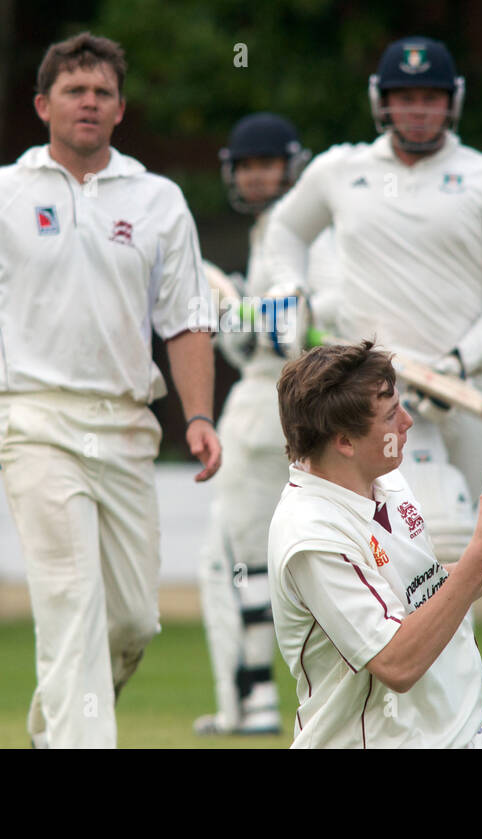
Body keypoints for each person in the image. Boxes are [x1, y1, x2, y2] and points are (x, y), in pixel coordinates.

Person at [0, 32, 221, 749]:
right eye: (75, 90)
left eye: (103, 93)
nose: (89, 102)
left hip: (125, 425)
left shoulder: (159, 201)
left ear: (120, 110)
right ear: (41, 104)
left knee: (132, 620)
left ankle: (52, 733)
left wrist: (199, 414)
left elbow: (187, 320)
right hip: (33, 419)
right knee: (71, 602)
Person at [262, 35, 482, 563]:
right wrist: (289, 293)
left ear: (451, 101)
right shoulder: (340, 170)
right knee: (398, 541)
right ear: (381, 100)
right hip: (365, 394)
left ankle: (434, 647)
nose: (417, 110)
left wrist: (461, 361)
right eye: (404, 96)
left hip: (459, 393)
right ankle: (386, 644)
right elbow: (286, 232)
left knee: (463, 553)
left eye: (430, 96)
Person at [268, 340, 482, 748]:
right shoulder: (311, 533)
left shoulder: (387, 482)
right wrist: (481, 553)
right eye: (392, 414)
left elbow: (426, 590)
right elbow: (396, 663)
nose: (409, 422)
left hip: (460, 736)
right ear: (344, 441)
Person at [195, 112, 334, 736]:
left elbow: (291, 329)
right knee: (246, 555)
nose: (255, 177)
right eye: (246, 166)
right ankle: (253, 701)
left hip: (275, 404)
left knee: (243, 556)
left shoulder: (299, 230)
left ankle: (254, 705)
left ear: (292, 167)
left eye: (266, 165)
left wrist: (239, 314)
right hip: (294, 401)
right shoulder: (272, 232)